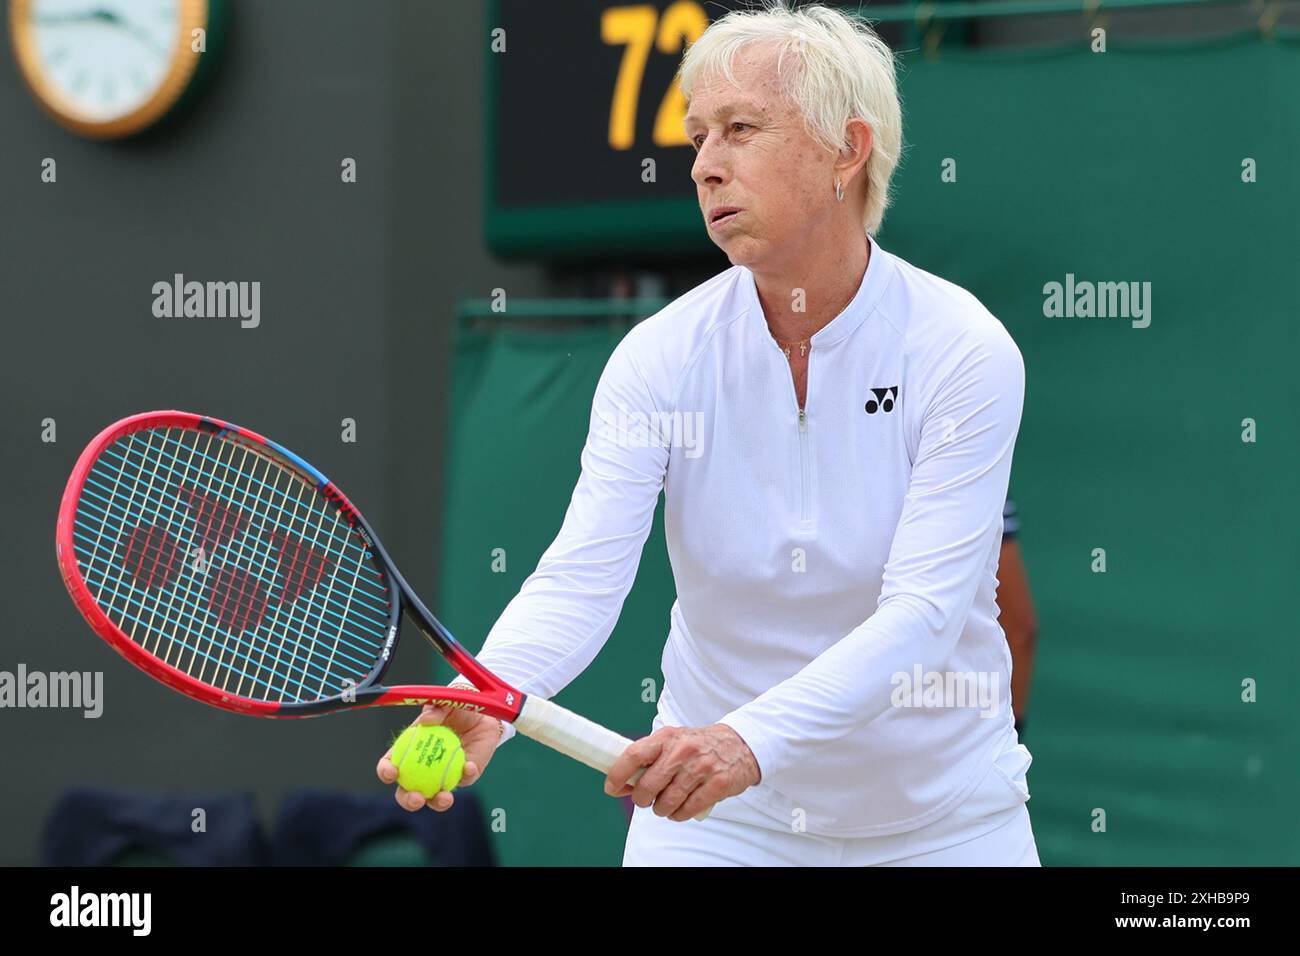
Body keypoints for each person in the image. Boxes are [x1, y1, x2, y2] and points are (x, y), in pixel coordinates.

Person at [378, 0, 1039, 866]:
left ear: (848, 149)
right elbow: (583, 576)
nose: (705, 167)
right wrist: (496, 688)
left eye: (741, 129)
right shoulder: (657, 358)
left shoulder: (962, 350)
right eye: (698, 138)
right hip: (720, 832)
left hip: (946, 825)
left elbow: (920, 615)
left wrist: (745, 743)